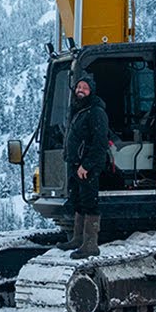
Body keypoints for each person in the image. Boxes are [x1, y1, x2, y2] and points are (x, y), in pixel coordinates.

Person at [58, 73, 108, 259]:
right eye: (79, 87)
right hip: (75, 164)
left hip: (88, 167)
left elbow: (99, 143)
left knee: (89, 202)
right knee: (78, 200)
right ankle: (78, 238)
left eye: (84, 88)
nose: (80, 90)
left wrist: (86, 165)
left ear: (91, 91)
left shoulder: (95, 112)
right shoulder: (78, 110)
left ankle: (90, 244)